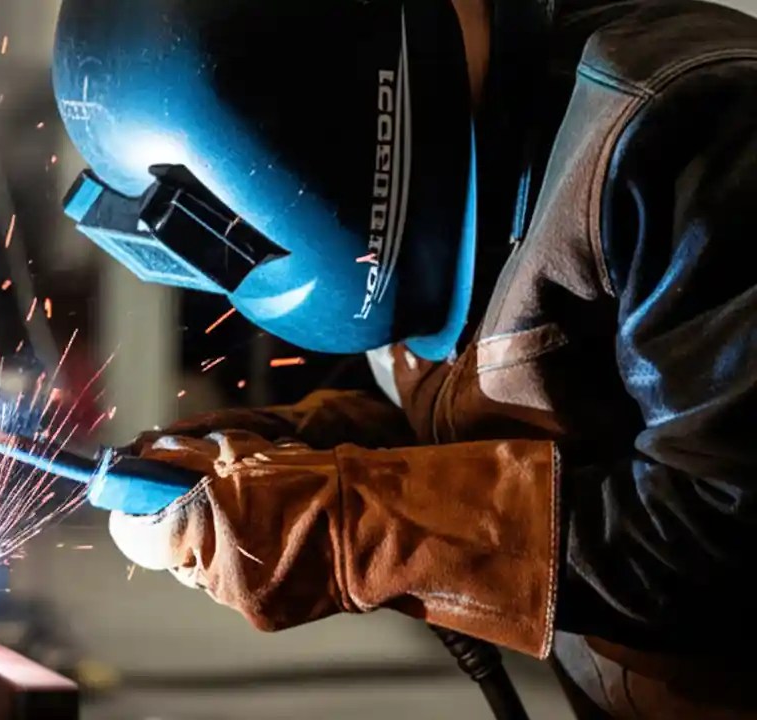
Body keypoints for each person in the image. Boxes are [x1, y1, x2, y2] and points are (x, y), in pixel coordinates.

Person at [50, 0, 757, 717]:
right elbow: (521, 435)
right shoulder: (436, 179)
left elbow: (724, 533)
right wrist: (303, 456)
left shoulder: (689, 123)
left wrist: (343, 526)